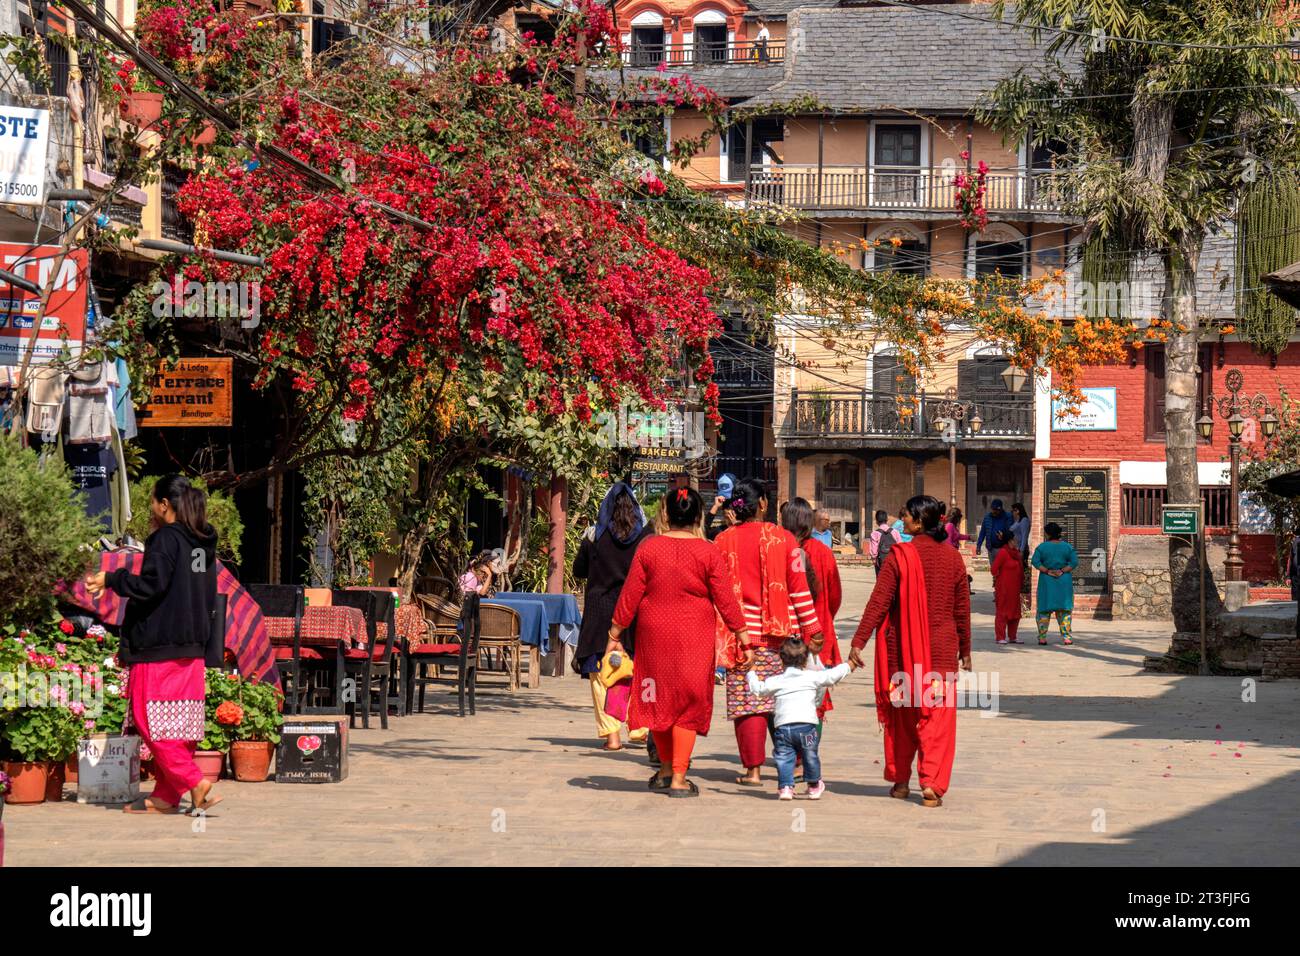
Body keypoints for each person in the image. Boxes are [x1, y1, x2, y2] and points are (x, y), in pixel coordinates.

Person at [84, 475, 222, 815]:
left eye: (152, 503)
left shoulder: (166, 539)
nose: (151, 510)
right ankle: (165, 796)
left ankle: (195, 781)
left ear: (164, 504)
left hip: (161, 643)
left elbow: (151, 585)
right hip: (191, 646)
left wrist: (112, 578)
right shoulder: (201, 543)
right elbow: (197, 587)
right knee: (179, 724)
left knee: (150, 720)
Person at [607, 487, 747, 797]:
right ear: (698, 516)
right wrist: (743, 635)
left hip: (653, 632)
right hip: (694, 635)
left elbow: (630, 595)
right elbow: (725, 599)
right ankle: (679, 778)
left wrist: (614, 635)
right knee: (688, 700)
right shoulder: (708, 551)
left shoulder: (649, 547)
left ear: (666, 514)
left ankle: (666, 768)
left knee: (658, 696)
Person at [848, 495, 971, 808]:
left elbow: (879, 602)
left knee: (903, 717)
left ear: (919, 520)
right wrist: (966, 650)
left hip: (902, 650)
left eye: (905, 516)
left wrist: (858, 641)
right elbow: (961, 610)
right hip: (943, 651)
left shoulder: (899, 555)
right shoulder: (953, 558)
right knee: (938, 720)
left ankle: (901, 781)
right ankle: (931, 785)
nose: (901, 520)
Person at [715, 478, 822, 786]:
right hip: (780, 639)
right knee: (783, 701)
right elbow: (800, 590)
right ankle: (792, 764)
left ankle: (752, 771)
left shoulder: (722, 541)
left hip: (740, 638)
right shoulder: (785, 540)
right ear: (763, 503)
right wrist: (813, 630)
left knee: (747, 703)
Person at [573, 482, 653, 752]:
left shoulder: (594, 536)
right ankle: (639, 729)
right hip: (632, 613)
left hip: (599, 613)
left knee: (601, 674)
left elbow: (579, 570)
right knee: (630, 671)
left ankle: (612, 737)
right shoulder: (645, 539)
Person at [746, 637, 854, 800]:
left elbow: (758, 690)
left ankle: (786, 788)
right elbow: (832, 675)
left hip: (782, 728)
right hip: (807, 726)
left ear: (781, 660)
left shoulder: (776, 680)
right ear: (805, 661)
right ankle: (814, 786)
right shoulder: (811, 676)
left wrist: (751, 672)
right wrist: (850, 665)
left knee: (784, 757)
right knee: (810, 756)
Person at [780, 497, 843, 725]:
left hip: (784, 635)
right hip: (817, 633)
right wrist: (825, 615)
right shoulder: (823, 553)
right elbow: (835, 596)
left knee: (784, 698)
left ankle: (788, 752)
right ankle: (808, 753)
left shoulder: (777, 550)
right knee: (815, 702)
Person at [1031, 522, 1078, 646]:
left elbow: (1035, 561)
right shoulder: (1068, 547)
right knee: (1064, 611)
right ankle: (1067, 637)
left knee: (1044, 610)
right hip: (1063, 582)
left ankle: (1042, 637)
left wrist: (1047, 570)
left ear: (1047, 534)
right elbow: (1074, 562)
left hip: (1047, 582)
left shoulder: (1042, 547)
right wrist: (1062, 571)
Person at [991, 539, 1024, 645]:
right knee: (1002, 612)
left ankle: (1013, 636)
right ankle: (1000, 636)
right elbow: (994, 569)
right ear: (1009, 540)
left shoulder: (1017, 553)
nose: (1017, 541)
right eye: (1015, 539)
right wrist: (1000, 578)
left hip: (1015, 588)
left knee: (1015, 612)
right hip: (1004, 588)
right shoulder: (1003, 552)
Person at [976, 499, 1013, 568]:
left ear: (1001, 509)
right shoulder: (987, 518)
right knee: (994, 570)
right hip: (991, 548)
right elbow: (982, 533)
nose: (995, 511)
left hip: (1003, 549)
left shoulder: (1007, 517)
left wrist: (1003, 536)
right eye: (993, 509)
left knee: (1002, 570)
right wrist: (978, 546)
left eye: (997, 510)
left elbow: (1011, 532)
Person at [705, 473, 737, 541]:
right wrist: (715, 506)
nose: (730, 520)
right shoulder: (719, 532)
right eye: (727, 517)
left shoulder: (744, 532)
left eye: (732, 515)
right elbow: (703, 529)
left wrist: (736, 527)